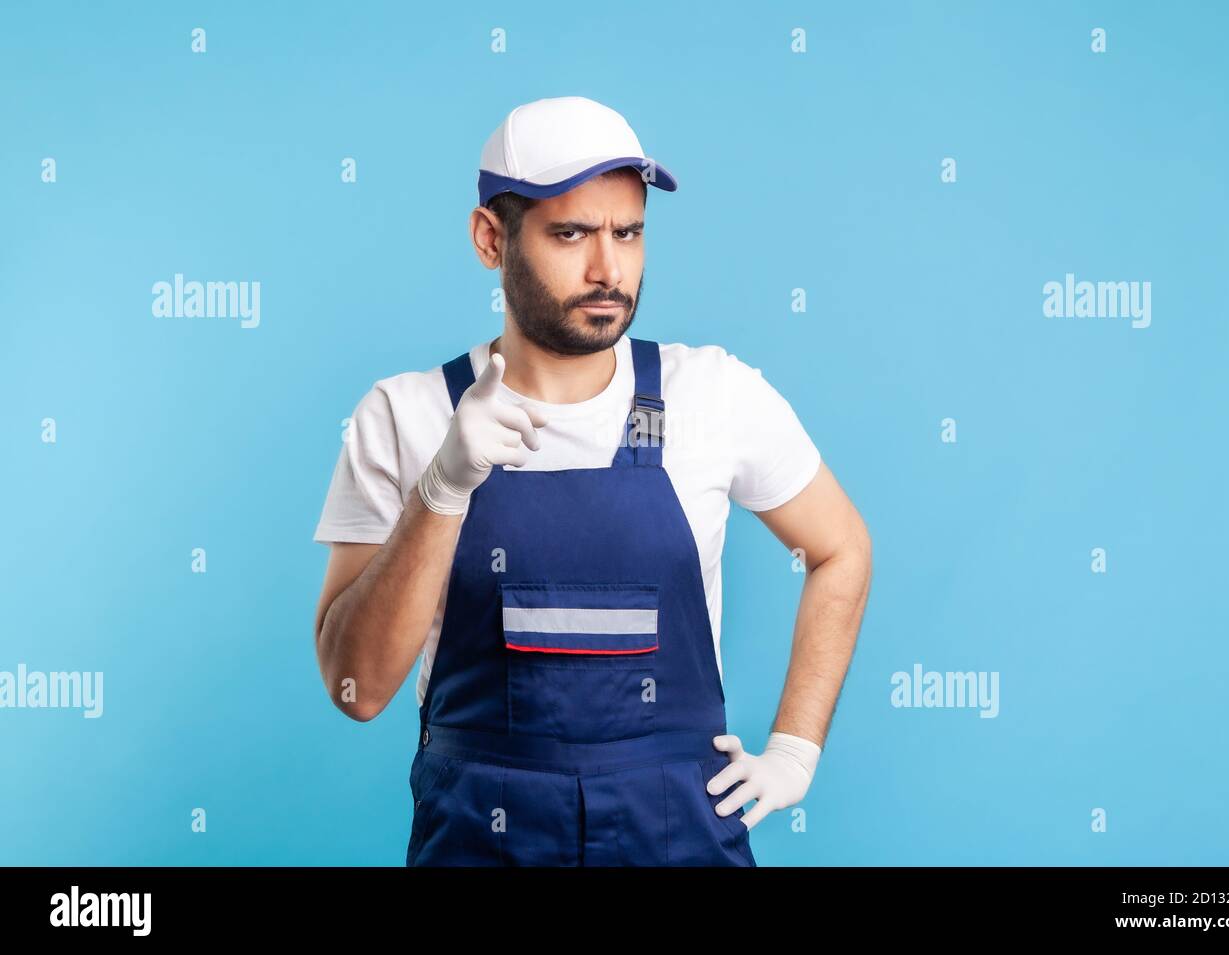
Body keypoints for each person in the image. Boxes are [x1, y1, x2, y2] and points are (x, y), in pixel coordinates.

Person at [312, 96, 872, 866]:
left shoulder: (714, 394)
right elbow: (358, 686)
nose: (609, 269)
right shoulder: (405, 415)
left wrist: (795, 750)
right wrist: (441, 489)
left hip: (678, 836)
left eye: (629, 233)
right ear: (489, 238)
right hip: (483, 840)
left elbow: (841, 548)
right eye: (570, 233)